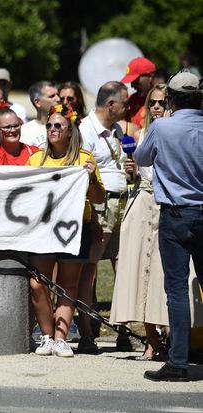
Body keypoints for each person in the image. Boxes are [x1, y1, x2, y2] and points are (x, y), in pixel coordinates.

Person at [136, 71, 203, 381]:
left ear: (173, 100)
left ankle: (178, 362)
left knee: (176, 291)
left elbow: (142, 157)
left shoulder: (162, 126)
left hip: (176, 214)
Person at [27, 104, 105, 357]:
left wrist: (91, 178)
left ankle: (61, 339)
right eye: (49, 125)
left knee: (67, 284)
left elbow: (99, 198)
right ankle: (48, 335)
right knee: (38, 284)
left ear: (70, 131)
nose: (51, 129)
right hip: (43, 228)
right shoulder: (36, 159)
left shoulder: (84, 158)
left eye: (58, 125)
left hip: (75, 227)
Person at [109, 84, 169, 361]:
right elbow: (134, 177)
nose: (157, 106)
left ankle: (172, 336)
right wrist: (130, 170)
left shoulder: (178, 133)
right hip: (142, 200)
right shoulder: (140, 134)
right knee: (138, 271)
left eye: (163, 102)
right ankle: (151, 340)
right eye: (153, 102)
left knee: (165, 273)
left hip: (169, 205)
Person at [77, 81, 130, 353]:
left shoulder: (118, 130)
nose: (128, 107)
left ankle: (124, 331)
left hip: (123, 202)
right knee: (90, 270)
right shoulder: (85, 130)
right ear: (111, 105)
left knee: (123, 269)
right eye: (124, 102)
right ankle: (87, 332)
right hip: (100, 205)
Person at [20, 81, 60, 149]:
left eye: (58, 95)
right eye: (51, 96)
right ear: (37, 102)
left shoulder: (67, 126)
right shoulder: (25, 130)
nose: (58, 99)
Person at [121, 57, 156, 128]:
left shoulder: (166, 100)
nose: (132, 85)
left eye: (136, 80)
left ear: (150, 77)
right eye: (131, 81)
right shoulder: (131, 100)